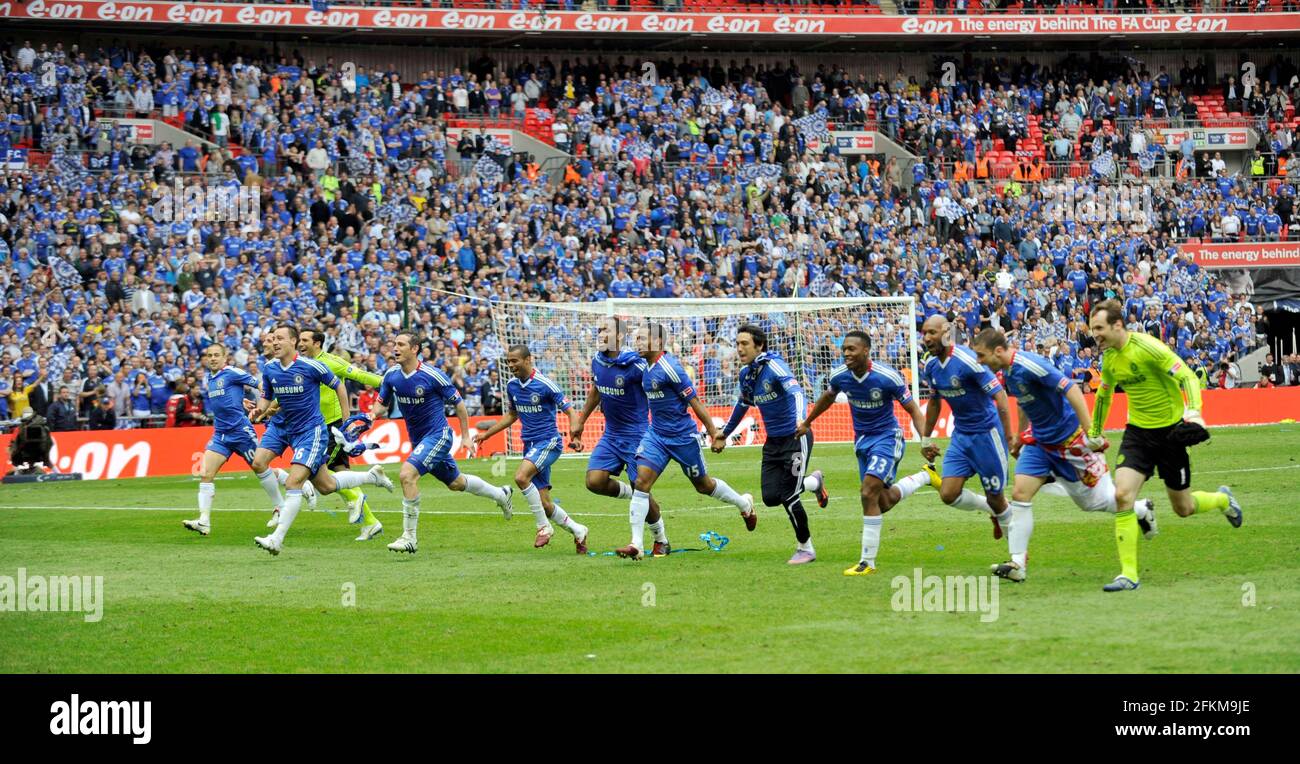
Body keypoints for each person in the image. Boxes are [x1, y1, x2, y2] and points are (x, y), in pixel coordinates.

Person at [972, 329, 1156, 583]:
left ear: (999, 351)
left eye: (981, 356)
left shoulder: (1030, 365)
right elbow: (1025, 402)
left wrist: (1092, 432)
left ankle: (1139, 509)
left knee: (1092, 503)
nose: (979, 362)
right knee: (1020, 494)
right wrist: (1019, 435)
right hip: (1039, 443)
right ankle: (1017, 563)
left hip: (1069, 442)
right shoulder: (1008, 373)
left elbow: (1072, 390)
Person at [1086, 301, 1243, 592]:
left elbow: (1185, 374)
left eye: (1099, 328)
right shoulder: (1109, 360)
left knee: (1183, 508)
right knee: (1122, 495)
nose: (1094, 334)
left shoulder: (1149, 348)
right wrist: (1095, 431)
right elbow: (1104, 396)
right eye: (1092, 328)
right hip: (1138, 435)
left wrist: (1194, 411)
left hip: (1171, 434)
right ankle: (1128, 575)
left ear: (1117, 325)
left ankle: (1222, 500)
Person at [796, 330, 932, 576]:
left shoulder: (887, 377)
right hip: (862, 442)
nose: (846, 353)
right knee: (882, 501)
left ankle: (867, 562)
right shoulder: (840, 376)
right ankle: (925, 477)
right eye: (845, 349)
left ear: (866, 351)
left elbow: (913, 409)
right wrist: (807, 422)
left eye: (852, 349)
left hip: (888, 438)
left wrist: (926, 441)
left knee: (868, 491)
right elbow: (828, 397)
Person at [250, 324, 394, 556]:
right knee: (323, 484)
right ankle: (371, 477)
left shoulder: (316, 365)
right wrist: (260, 411)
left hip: (312, 430)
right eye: (272, 338)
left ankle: (277, 539)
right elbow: (268, 399)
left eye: (279, 338)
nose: (274, 342)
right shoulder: (269, 369)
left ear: (293, 342)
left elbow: (342, 386)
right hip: (281, 427)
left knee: (294, 482)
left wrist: (347, 423)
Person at [616, 323, 754, 561]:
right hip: (656, 435)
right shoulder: (644, 366)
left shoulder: (671, 368)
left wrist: (714, 433)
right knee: (641, 482)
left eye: (642, 338)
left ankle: (743, 504)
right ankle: (637, 544)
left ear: (658, 343)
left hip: (682, 437)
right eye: (636, 338)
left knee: (703, 485)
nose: (637, 342)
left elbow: (695, 402)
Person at [370, 332, 514, 555]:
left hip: (439, 435)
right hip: (419, 440)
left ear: (414, 349)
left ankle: (409, 537)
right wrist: (369, 417)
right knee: (456, 483)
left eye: (400, 344)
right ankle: (501, 494)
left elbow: (459, 405)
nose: (394, 348)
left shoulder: (432, 375)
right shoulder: (391, 376)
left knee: (407, 475)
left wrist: (465, 436)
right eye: (394, 344)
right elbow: (381, 406)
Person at [714, 324, 829, 566]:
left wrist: (802, 419)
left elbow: (797, 392)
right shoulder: (747, 374)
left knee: (789, 495)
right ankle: (815, 482)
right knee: (769, 497)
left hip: (796, 438)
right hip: (773, 443)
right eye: (737, 344)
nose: (739, 348)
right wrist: (724, 433)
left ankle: (805, 548)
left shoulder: (774, 366)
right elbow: (742, 405)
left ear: (759, 346)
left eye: (744, 343)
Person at [571, 316, 671, 557]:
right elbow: (596, 390)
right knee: (594, 481)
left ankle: (661, 539)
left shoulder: (635, 364)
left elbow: (658, 382)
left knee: (642, 488)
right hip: (611, 434)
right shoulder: (597, 360)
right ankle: (632, 494)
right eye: (598, 330)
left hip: (637, 434)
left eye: (605, 330)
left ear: (619, 336)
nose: (600, 334)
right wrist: (581, 420)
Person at [478, 344, 589, 552]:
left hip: (548, 442)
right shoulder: (512, 386)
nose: (511, 365)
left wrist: (576, 434)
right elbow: (512, 415)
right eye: (508, 361)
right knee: (546, 505)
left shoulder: (545, 384)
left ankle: (543, 528)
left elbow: (570, 411)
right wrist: (487, 434)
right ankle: (578, 530)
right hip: (530, 446)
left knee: (521, 477)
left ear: (528, 360)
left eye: (515, 361)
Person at [918, 315, 1015, 539]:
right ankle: (992, 511)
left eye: (932, 332)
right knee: (948, 494)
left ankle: (1017, 557)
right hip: (961, 436)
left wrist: (1009, 437)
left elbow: (999, 395)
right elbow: (934, 401)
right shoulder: (931, 366)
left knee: (996, 497)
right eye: (924, 333)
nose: (927, 338)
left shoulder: (969, 361)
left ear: (947, 333)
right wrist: (925, 439)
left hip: (987, 435)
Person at [182, 345, 283, 537]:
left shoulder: (231, 372)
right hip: (221, 434)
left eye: (216, 355)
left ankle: (283, 503)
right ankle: (204, 521)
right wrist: (240, 401)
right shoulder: (209, 378)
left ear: (225, 357)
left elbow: (261, 385)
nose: (212, 358)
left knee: (260, 466)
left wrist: (264, 405)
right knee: (206, 473)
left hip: (241, 431)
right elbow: (227, 398)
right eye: (209, 355)